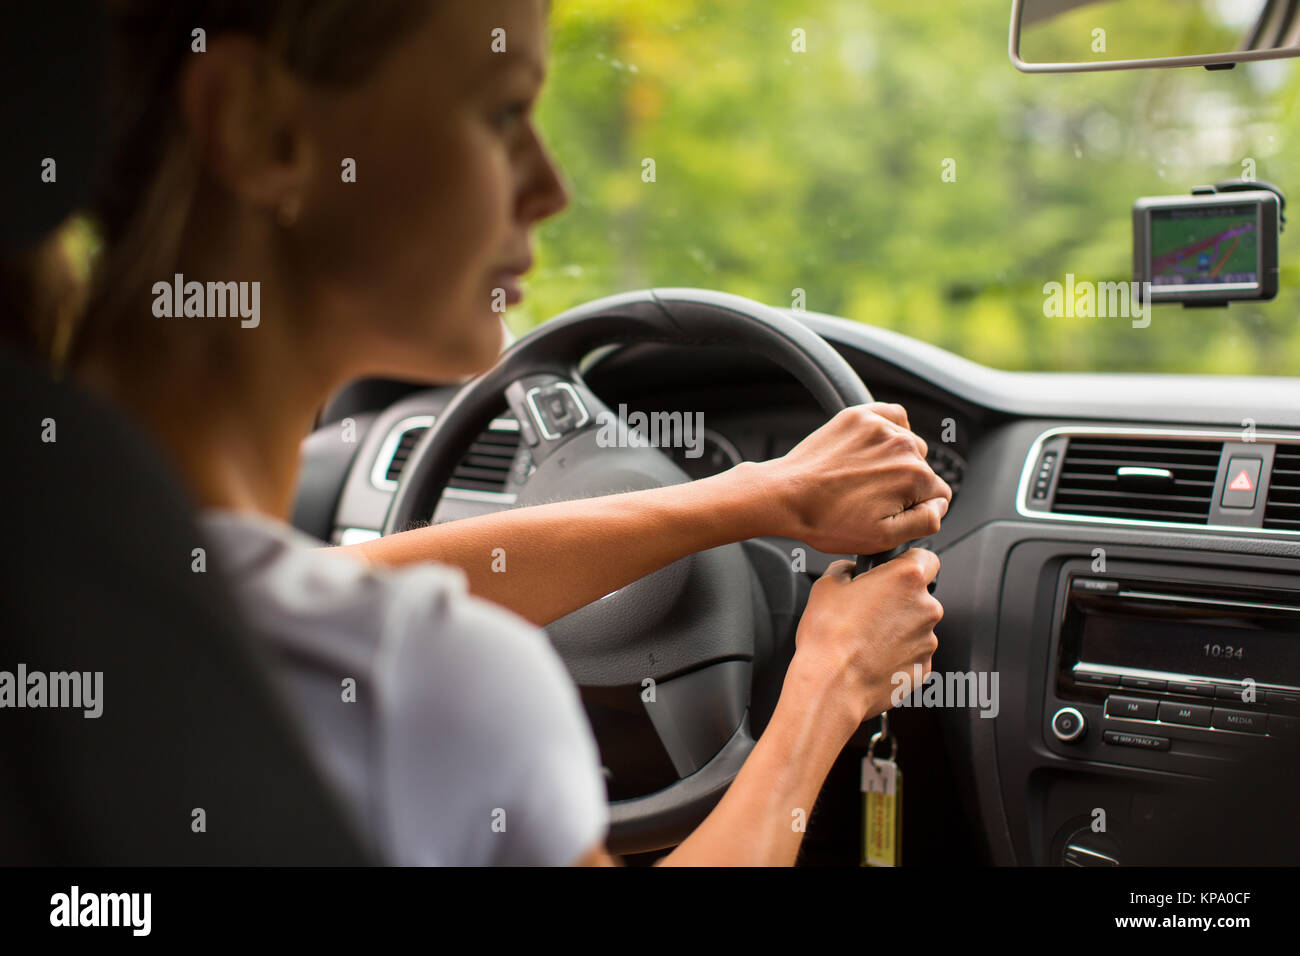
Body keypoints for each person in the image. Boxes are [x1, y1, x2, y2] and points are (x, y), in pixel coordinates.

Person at [64, 0, 951, 865]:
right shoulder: (441, 690)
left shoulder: (78, 559)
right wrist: (830, 682)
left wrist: (762, 496)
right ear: (263, 130)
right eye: (503, 112)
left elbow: (315, 592)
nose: (552, 189)